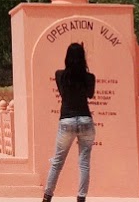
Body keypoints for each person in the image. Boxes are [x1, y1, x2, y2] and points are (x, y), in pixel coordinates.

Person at [42, 41, 97, 202]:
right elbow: (90, 95)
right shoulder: (89, 77)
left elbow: (63, 93)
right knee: (84, 163)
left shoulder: (60, 75)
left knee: (57, 161)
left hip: (67, 119)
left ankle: (47, 197)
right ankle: (81, 198)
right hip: (85, 119)